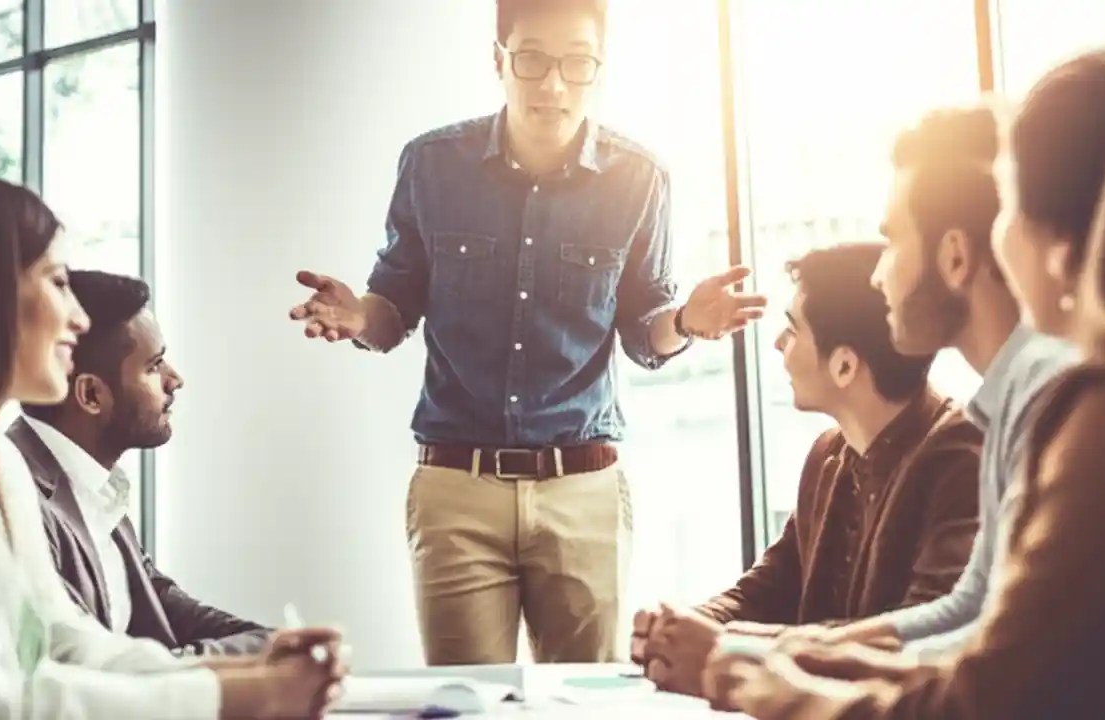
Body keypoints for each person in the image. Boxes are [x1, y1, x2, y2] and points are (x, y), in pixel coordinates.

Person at [288, 0, 766, 665]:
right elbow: (395, 304)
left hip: (583, 489)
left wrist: (686, 322)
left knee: (581, 708)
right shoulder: (431, 165)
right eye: (533, 59)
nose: (553, 83)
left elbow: (642, 332)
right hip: (457, 491)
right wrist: (360, 316)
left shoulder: (640, 179)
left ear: (600, 68)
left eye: (577, 62)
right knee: (462, 705)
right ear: (498, 60)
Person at [705, 48, 1105, 719]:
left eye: (1011, 210)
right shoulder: (1097, 396)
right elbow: (980, 619)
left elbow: (994, 691)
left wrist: (797, 697)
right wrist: (812, 657)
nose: (997, 232)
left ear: (1059, 244)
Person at [0, 173, 344, 719]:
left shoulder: (2, 464)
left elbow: (69, 647)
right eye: (58, 283)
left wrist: (254, 671)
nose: (77, 319)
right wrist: (238, 697)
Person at [778, 105, 1076, 657]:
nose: (877, 273)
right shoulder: (1008, 398)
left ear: (955, 257)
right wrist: (771, 656)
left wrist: (787, 677)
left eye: (892, 241)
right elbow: (966, 608)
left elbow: (998, 654)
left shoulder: (1050, 399)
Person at [631, 243, 981, 696]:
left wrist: (729, 647)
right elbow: (769, 588)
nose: (777, 343)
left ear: (845, 365)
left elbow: (915, 640)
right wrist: (682, 629)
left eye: (792, 330)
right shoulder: (828, 454)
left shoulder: (959, 460)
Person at [9, 270, 270, 656]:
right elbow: (88, 672)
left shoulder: (96, 484)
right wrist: (252, 664)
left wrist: (275, 646)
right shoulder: (18, 496)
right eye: (154, 366)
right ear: (92, 395)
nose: (175, 379)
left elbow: (164, 603)